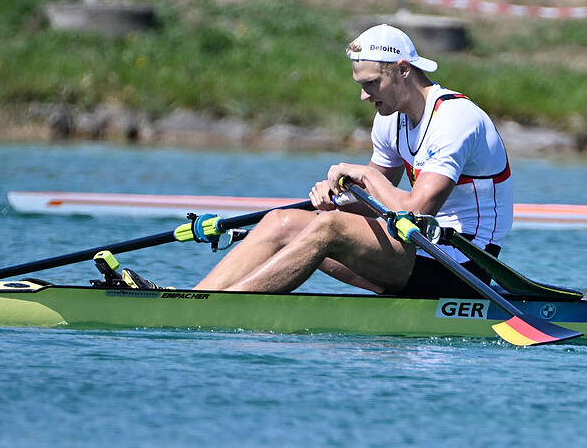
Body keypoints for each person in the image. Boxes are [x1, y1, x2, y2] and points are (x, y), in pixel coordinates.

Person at [125, 24, 513, 296]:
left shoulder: (455, 119)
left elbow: (414, 210)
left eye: (371, 85)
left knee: (329, 229)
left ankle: (220, 308)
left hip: (463, 267)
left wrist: (359, 176)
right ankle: (195, 298)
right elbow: (376, 201)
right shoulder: (390, 120)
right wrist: (339, 197)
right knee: (281, 222)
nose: (364, 96)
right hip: (417, 253)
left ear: (403, 71)